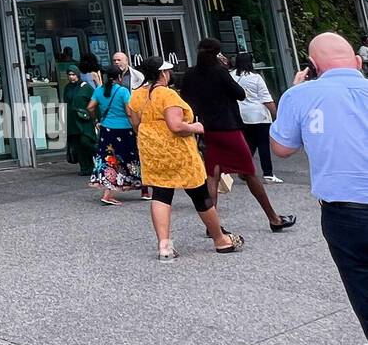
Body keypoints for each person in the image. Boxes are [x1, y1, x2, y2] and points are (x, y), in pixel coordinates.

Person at [271, 32, 368, 339]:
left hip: (345, 213)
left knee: (362, 287)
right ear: (357, 61)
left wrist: (295, 92)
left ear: (312, 65)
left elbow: (282, 147)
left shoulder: (300, 95)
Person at [128, 56, 241, 260]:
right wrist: (196, 127)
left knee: (161, 195)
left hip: (153, 152)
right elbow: (176, 126)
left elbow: (136, 123)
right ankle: (220, 239)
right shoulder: (167, 95)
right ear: (163, 73)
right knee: (200, 195)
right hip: (178, 153)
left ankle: (165, 247)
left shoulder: (136, 95)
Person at [180, 38, 294, 234]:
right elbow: (240, 94)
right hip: (228, 127)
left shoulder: (190, 74)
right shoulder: (219, 72)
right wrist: (224, 69)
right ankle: (274, 219)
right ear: (217, 54)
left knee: (212, 175)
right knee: (249, 172)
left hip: (206, 129)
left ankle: (212, 224)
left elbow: (186, 99)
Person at [87, 69, 145, 204]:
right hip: (124, 130)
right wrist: (136, 127)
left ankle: (108, 191)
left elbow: (90, 107)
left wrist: (96, 121)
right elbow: (129, 112)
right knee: (128, 158)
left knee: (109, 159)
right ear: (119, 77)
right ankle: (136, 186)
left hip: (106, 129)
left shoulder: (99, 90)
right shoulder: (123, 91)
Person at [233, 52, 281, 183]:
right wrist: (276, 115)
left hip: (240, 115)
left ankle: (244, 170)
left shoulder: (231, 76)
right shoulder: (256, 78)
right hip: (258, 115)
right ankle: (268, 173)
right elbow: (266, 98)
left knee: (248, 144)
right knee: (263, 144)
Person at [63, 69, 97, 177]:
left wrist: (97, 119)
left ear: (78, 75)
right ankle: (85, 168)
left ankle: (99, 159)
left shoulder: (86, 87)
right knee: (77, 145)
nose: (71, 77)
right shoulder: (67, 88)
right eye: (69, 74)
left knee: (86, 141)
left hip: (84, 120)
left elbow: (95, 102)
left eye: (73, 74)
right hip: (72, 121)